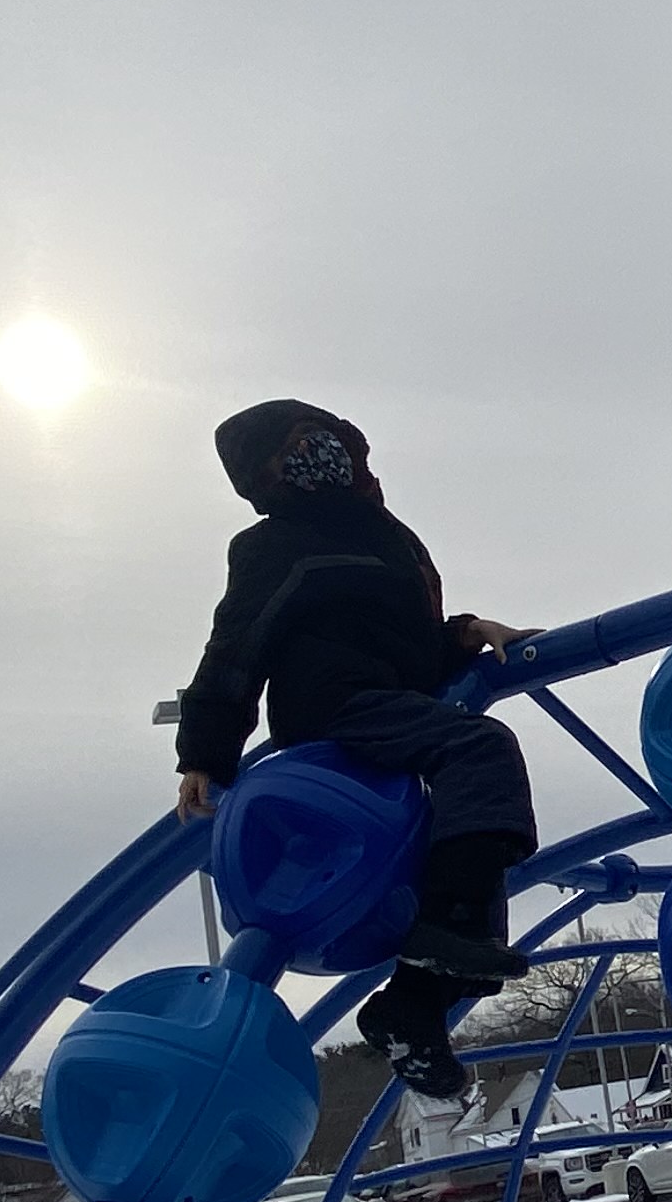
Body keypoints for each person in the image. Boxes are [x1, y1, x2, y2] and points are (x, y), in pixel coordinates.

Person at [172, 400, 541, 1101]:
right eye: (292, 451)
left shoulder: (389, 537)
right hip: (337, 705)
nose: (316, 456)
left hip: (391, 698)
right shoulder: (274, 545)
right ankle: (445, 928)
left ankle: (414, 1009)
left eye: (322, 441)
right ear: (266, 477)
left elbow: (403, 639)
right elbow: (236, 645)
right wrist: (205, 753)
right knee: (481, 751)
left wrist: (463, 634)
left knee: (463, 858)